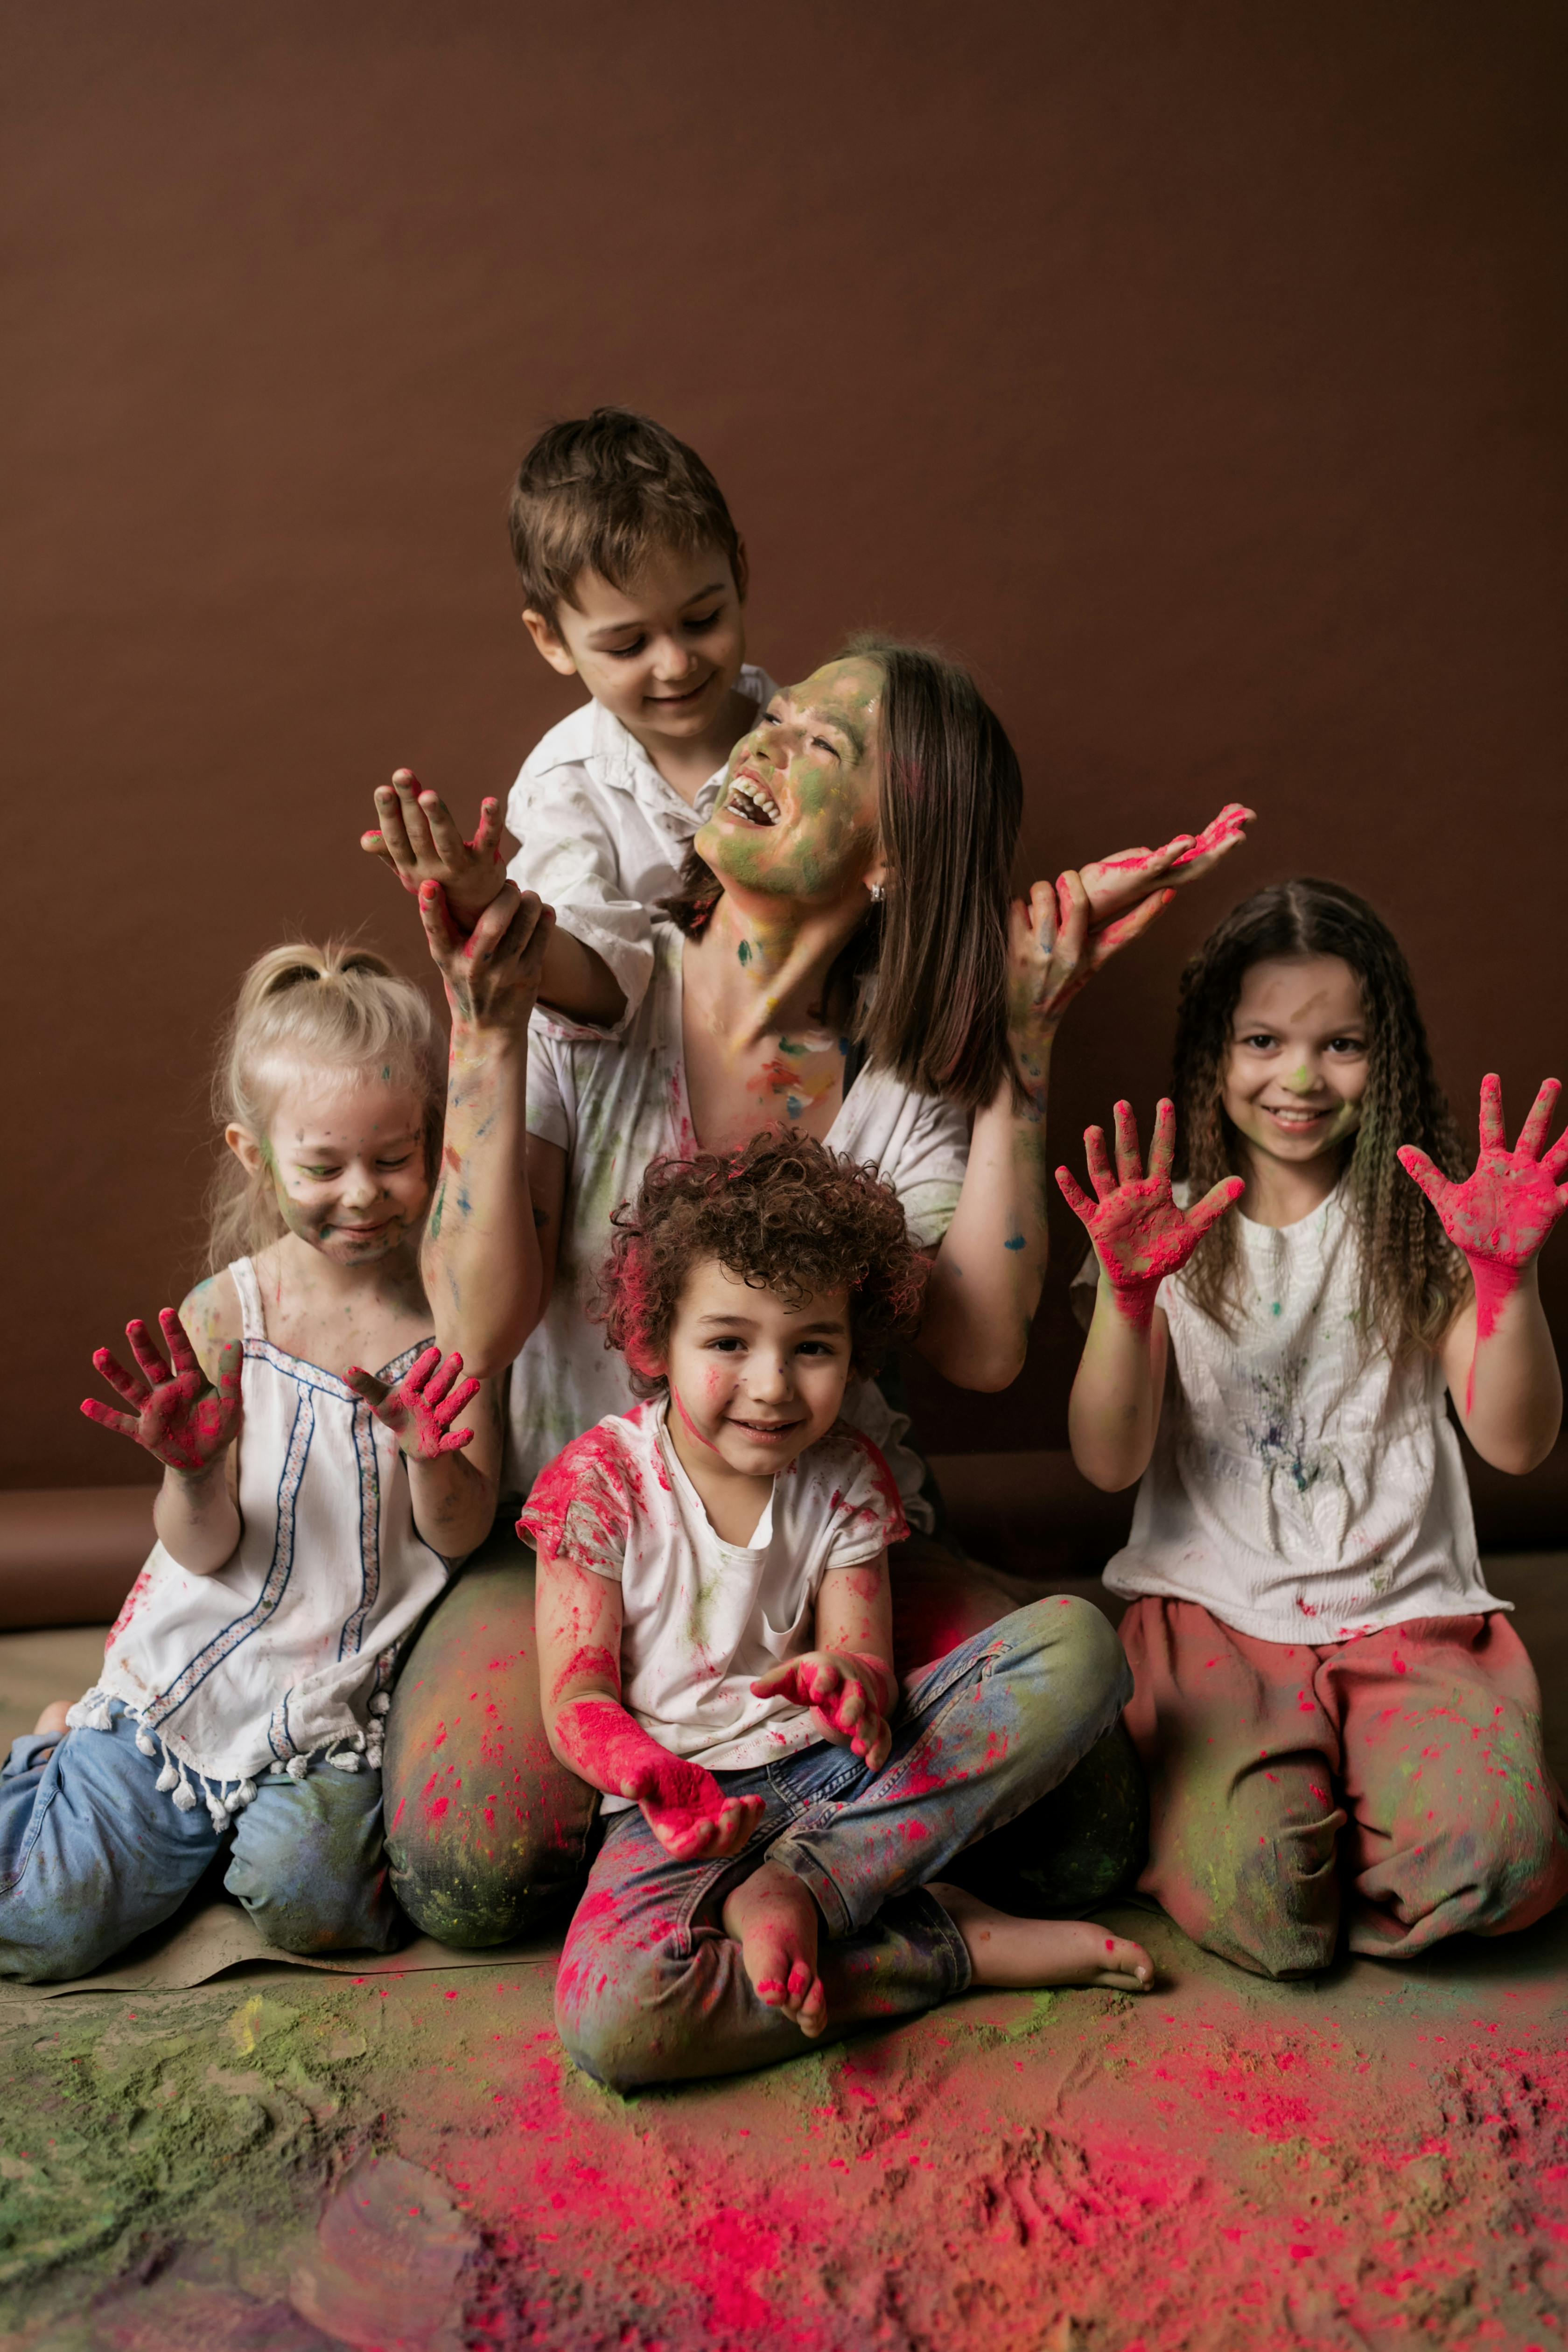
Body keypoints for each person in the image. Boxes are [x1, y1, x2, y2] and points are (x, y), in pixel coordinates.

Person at [371, 635, 1251, 1945]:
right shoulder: (591, 985)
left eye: (821, 746)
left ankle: (799, 1866)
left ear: (891, 860)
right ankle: (831, 1830)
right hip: (587, 1553)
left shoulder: (903, 1082)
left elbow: (981, 1347)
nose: (761, 745)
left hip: (830, 1556)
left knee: (1088, 1837)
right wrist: (490, 1030)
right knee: (471, 1868)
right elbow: (478, 1327)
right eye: (772, 728)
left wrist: (1019, 1046)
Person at [0, 889, 548, 1981]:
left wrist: (435, 1458)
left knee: (317, 1907)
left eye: (394, 1161)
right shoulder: (228, 1315)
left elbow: (457, 1535)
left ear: (435, 1147)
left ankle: (198, 1845)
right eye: (323, 1167)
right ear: (255, 1156)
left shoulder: (455, 1323)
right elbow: (201, 1549)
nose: (363, 1197)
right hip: (201, 1679)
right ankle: (64, 1759)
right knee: (46, 1921)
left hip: (333, 1699)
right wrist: (194, 1471)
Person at [530, 1132, 1151, 2088]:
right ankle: (946, 1950)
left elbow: (863, 1655)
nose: (774, 1385)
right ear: (655, 1336)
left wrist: (850, 1683)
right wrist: (647, 1771)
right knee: (614, 2023)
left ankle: (811, 1888)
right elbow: (577, 1694)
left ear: (856, 1348)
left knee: (1080, 1643)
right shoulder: (601, 1482)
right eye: (729, 1343)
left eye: (811, 1347)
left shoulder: (848, 1476)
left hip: (840, 1787)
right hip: (678, 1812)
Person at [1059, 876, 1568, 1977]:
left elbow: (1516, 1445)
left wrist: (1505, 1283)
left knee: (1501, 1863)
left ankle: (1385, 1787)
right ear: (1212, 1054)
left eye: (1341, 1045)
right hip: (1216, 1618)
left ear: (1388, 1056)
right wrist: (1129, 1298)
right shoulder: (1169, 1224)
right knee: (1267, 1907)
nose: (1299, 1077)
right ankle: (1275, 1812)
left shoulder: (1419, 1219)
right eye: (1262, 1041)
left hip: (1406, 1615)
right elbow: (1107, 1463)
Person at [363, 406, 777, 1035]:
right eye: (628, 646)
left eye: (701, 621)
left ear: (739, 573)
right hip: (648, 1094)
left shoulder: (814, 741)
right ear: (552, 639)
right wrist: (487, 907)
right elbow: (603, 987)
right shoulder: (566, 786)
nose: (675, 663)